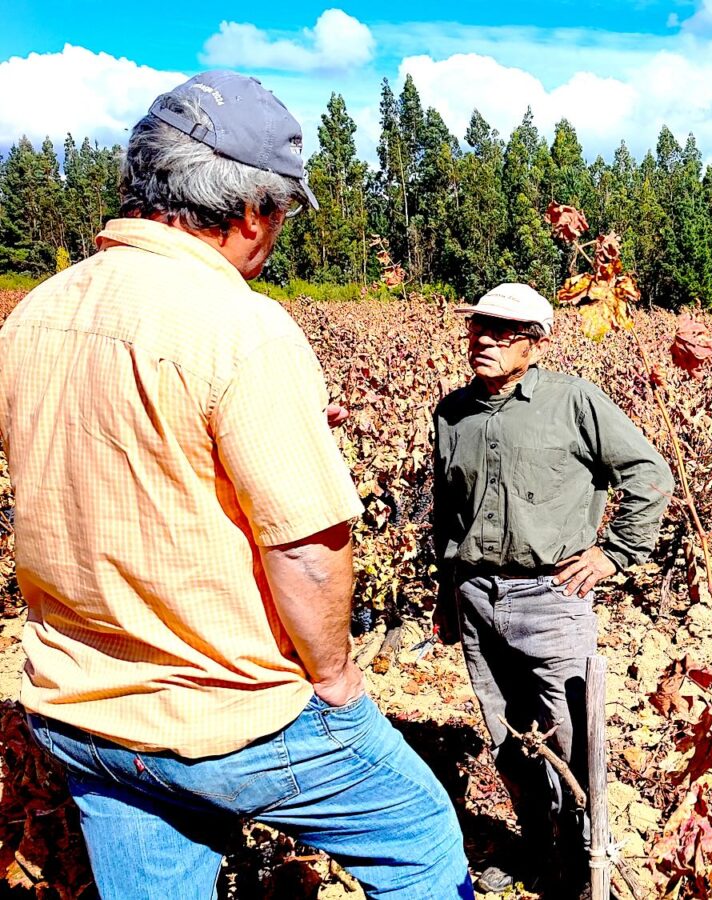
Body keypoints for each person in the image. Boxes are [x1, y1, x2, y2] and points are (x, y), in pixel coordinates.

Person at [0, 71, 471, 899]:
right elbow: (309, 546)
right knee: (417, 831)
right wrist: (335, 682)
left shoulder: (36, 313)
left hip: (80, 711)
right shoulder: (239, 328)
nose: (278, 232)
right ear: (251, 211)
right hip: (228, 718)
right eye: (283, 212)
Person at [432, 283, 674, 895]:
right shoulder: (452, 413)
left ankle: (588, 865)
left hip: (551, 599)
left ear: (535, 345)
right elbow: (446, 512)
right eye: (479, 327)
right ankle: (542, 853)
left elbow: (650, 475)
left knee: (573, 738)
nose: (485, 340)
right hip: (476, 598)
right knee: (510, 740)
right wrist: (446, 592)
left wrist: (615, 554)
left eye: (505, 333)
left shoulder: (573, 402)